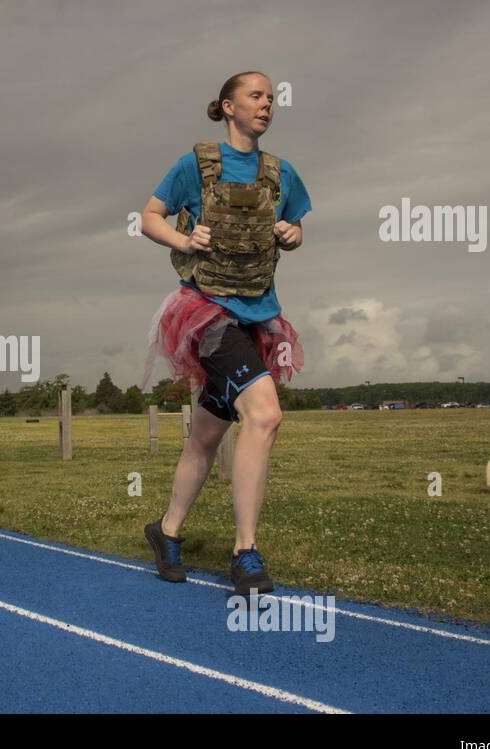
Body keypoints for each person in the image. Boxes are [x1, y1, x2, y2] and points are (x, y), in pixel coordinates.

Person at [136, 71, 310, 594]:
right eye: (255, 96)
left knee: (207, 436)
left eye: (272, 98)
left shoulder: (281, 174)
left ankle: (165, 531)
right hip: (207, 314)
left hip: (259, 317)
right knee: (265, 413)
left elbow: (299, 227)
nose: (266, 105)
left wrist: (292, 233)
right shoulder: (196, 165)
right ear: (227, 107)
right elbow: (149, 218)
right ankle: (246, 552)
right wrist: (185, 240)